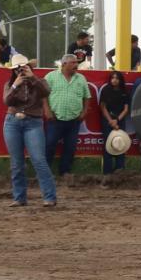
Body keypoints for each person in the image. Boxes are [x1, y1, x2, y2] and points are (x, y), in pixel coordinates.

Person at [1, 54, 56, 207]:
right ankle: (19, 198)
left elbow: (46, 91)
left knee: (38, 159)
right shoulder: (10, 84)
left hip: (33, 122)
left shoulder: (39, 82)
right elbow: (7, 101)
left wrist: (33, 78)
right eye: (17, 69)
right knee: (16, 162)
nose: (20, 71)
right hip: (13, 122)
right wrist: (15, 85)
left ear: (29, 68)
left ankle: (49, 196)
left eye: (23, 68)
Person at [43, 52, 91, 183]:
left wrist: (84, 112)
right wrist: (47, 110)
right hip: (55, 119)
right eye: (73, 63)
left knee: (70, 148)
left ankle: (65, 173)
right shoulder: (51, 76)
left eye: (77, 63)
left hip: (74, 120)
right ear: (64, 64)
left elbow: (87, 97)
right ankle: (44, 173)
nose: (76, 65)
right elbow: (43, 95)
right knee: (50, 145)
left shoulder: (81, 78)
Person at [98, 70, 133, 174]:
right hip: (107, 121)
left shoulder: (124, 91)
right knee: (108, 147)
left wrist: (117, 120)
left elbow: (126, 109)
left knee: (120, 146)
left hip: (120, 121)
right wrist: (111, 121)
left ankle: (120, 172)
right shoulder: (106, 90)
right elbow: (103, 107)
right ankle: (107, 174)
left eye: (117, 78)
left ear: (120, 80)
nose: (114, 80)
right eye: (112, 78)